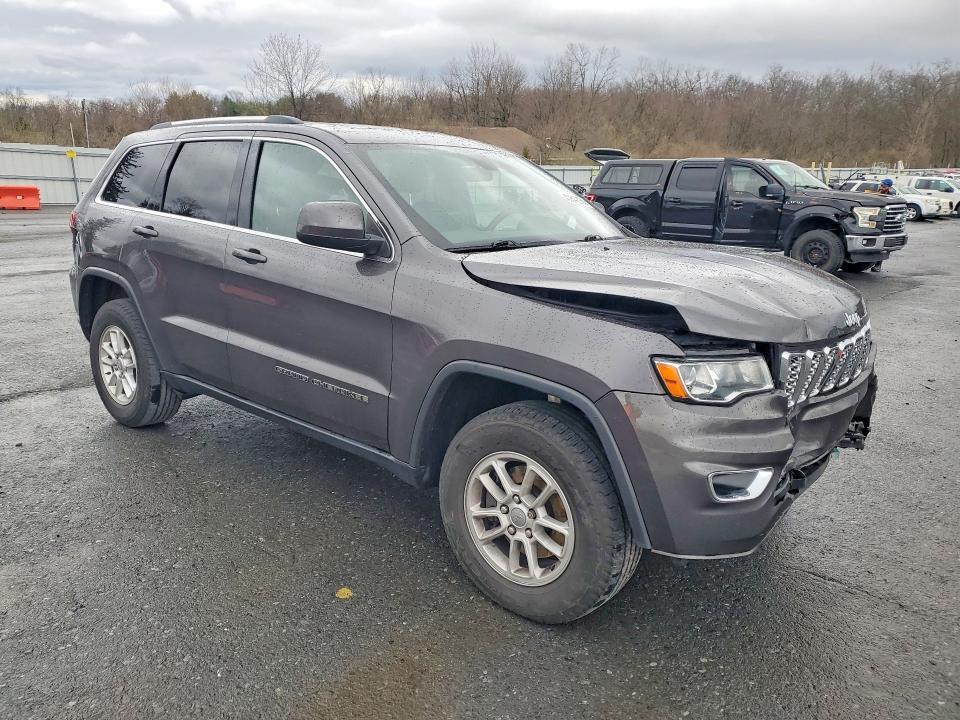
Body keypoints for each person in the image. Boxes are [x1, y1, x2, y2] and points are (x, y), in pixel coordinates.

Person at [870, 179, 894, 271]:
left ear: (888, 187)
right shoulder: (881, 192)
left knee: (882, 246)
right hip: (878, 220)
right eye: (881, 185)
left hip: (886, 223)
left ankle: (878, 265)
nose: (881, 187)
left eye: (883, 186)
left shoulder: (890, 195)